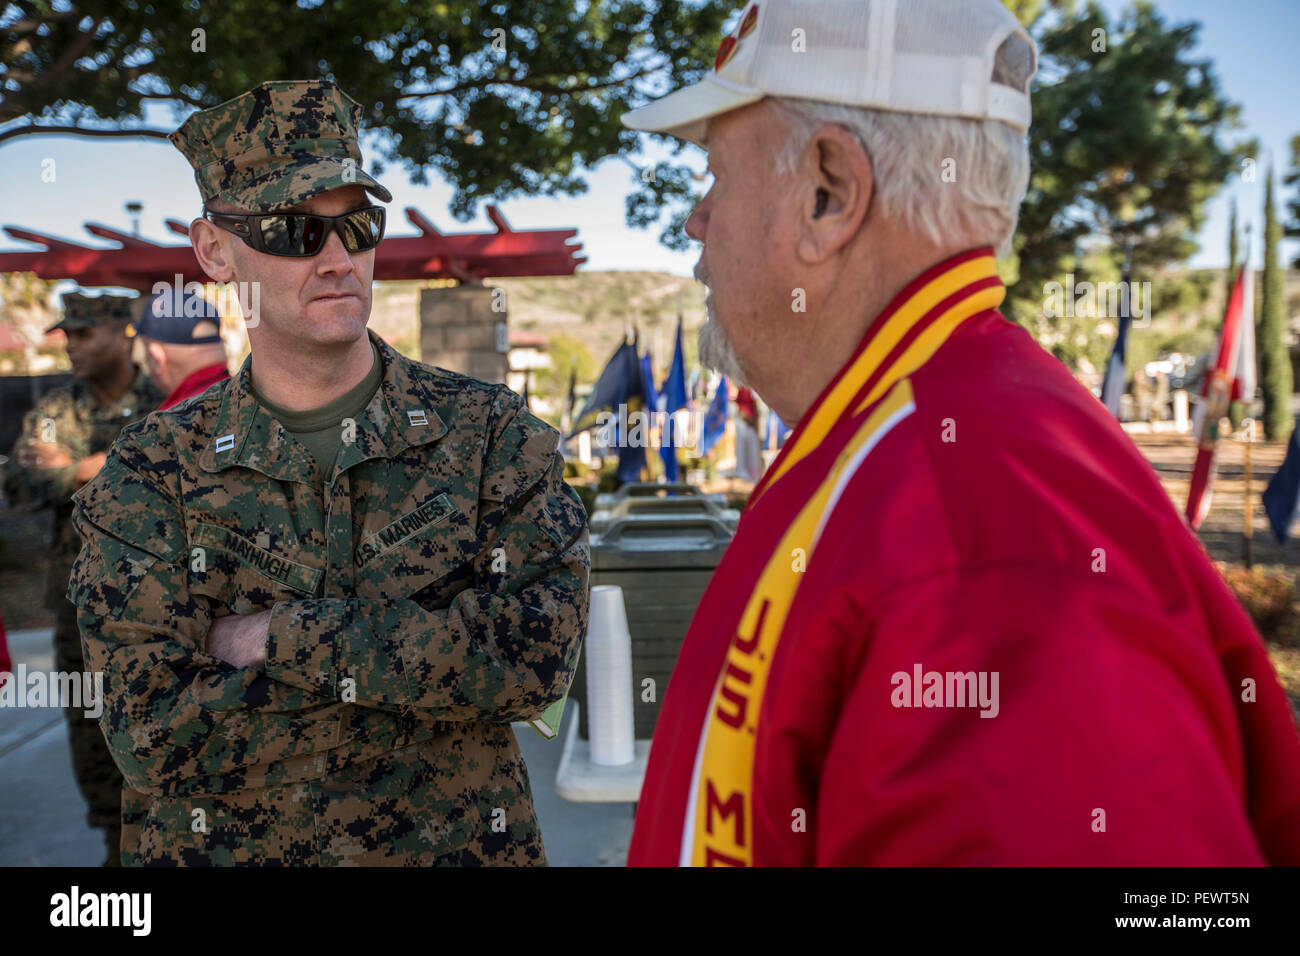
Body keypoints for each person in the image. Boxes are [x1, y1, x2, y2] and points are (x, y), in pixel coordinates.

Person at [620, 0, 1300, 865]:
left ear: (828, 191)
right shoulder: (913, 443)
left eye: (715, 173)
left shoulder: (973, 528)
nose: (696, 219)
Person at [67, 79, 589, 866]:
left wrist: (278, 637)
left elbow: (538, 659)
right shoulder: (153, 471)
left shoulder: (489, 436)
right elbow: (153, 735)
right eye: (292, 230)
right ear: (214, 251)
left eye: (357, 225)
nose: (340, 259)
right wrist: (435, 688)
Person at [2, 291, 164, 866]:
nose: (71, 346)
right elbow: (21, 488)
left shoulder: (166, 399)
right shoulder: (56, 409)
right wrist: (98, 467)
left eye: (83, 334)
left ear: (122, 331)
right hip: (79, 600)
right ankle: (112, 848)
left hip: (161, 600)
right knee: (90, 723)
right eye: (66, 335)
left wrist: (69, 469)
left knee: (161, 715)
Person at [130, 291, 231, 409]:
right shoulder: (252, 397)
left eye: (146, 354)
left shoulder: (166, 423)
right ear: (221, 343)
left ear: (156, 358)